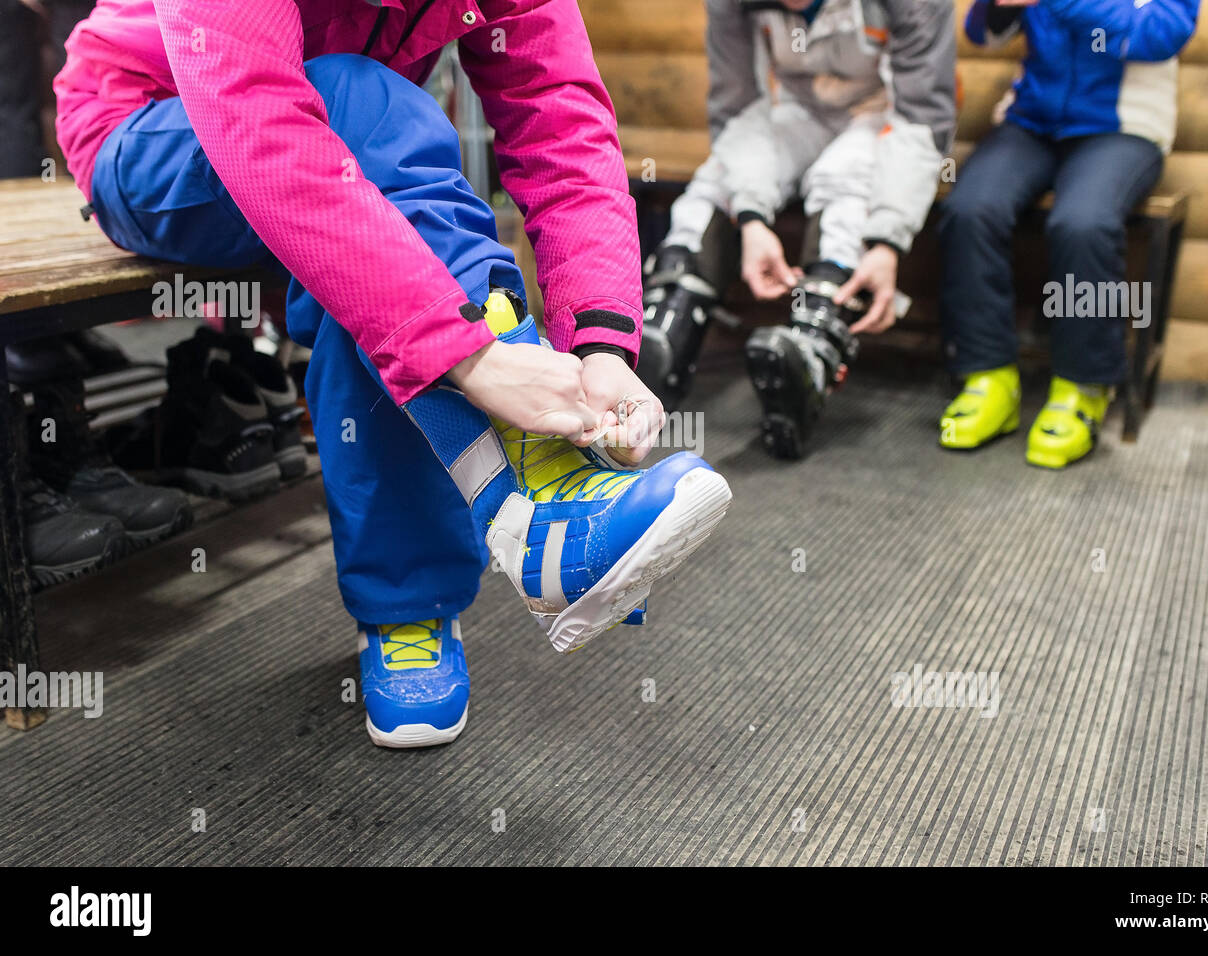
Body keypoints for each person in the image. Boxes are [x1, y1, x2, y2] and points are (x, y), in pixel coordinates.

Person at [55, 0, 733, 748]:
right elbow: (259, 123)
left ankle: (423, 596)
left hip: (349, 140)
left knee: (382, 214)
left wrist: (601, 343)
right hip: (151, 131)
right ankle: (541, 485)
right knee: (364, 108)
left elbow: (558, 117)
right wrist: (471, 356)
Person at [638, 0, 956, 459]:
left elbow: (922, 120)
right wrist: (751, 217)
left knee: (843, 177)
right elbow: (740, 110)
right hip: (799, 109)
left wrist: (889, 239)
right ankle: (666, 330)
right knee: (713, 183)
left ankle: (813, 343)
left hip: (887, 111)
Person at [938, 0, 1199, 469]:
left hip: (1123, 129)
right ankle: (988, 377)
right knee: (969, 210)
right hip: (1032, 122)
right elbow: (983, 33)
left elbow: (1159, 35)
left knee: (1083, 223)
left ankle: (1085, 385)